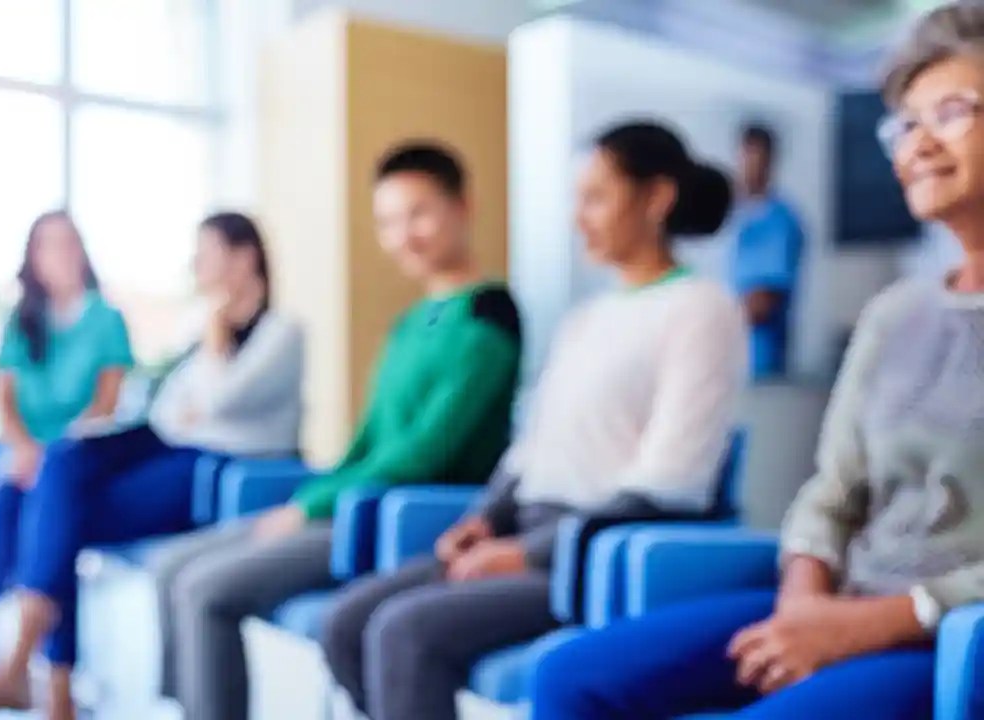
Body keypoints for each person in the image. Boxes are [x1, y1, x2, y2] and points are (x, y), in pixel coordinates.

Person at [530, 6, 984, 718]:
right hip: (838, 598)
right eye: (904, 124)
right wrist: (806, 601)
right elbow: (833, 489)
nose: (918, 144)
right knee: (569, 679)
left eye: (952, 112)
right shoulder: (893, 315)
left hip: (950, 637)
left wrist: (876, 623)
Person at [321, 122, 748, 720]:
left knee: (404, 630)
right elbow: (532, 451)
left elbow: (672, 481)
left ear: (657, 198)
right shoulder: (586, 318)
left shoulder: (702, 309)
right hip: (526, 532)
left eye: (596, 198)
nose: (580, 218)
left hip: (595, 554)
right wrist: (486, 519)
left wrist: (533, 554)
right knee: (343, 623)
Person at [154, 142, 521, 720]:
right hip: (350, 500)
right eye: (388, 221)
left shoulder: (490, 316)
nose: (403, 236)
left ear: (462, 206)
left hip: (403, 514)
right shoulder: (408, 322)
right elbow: (367, 442)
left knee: (206, 590)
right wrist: (312, 496)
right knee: (172, 566)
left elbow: (423, 452)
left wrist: (310, 506)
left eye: (418, 214)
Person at [0, 212, 304, 720]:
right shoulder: (195, 327)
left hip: (214, 463)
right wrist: (203, 370)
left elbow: (216, 402)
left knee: (57, 512)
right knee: (58, 470)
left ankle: (28, 673)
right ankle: (46, 685)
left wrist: (215, 339)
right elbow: (169, 406)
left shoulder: (280, 333)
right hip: (167, 442)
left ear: (244, 258)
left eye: (207, 254)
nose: (196, 266)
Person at [0, 210, 133, 673]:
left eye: (68, 243)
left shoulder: (106, 320)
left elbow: (106, 404)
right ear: (32, 258)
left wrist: (52, 458)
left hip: (78, 455)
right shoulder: (21, 321)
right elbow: (5, 400)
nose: (59, 255)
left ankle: (28, 666)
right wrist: (24, 449)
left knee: (51, 519)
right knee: (0, 506)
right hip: (24, 454)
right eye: (47, 245)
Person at [729, 123, 805, 379]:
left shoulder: (779, 221)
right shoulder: (739, 218)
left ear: (770, 161)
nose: (748, 167)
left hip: (761, 369)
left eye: (756, 158)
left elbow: (761, 304)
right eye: (744, 157)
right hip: (732, 367)